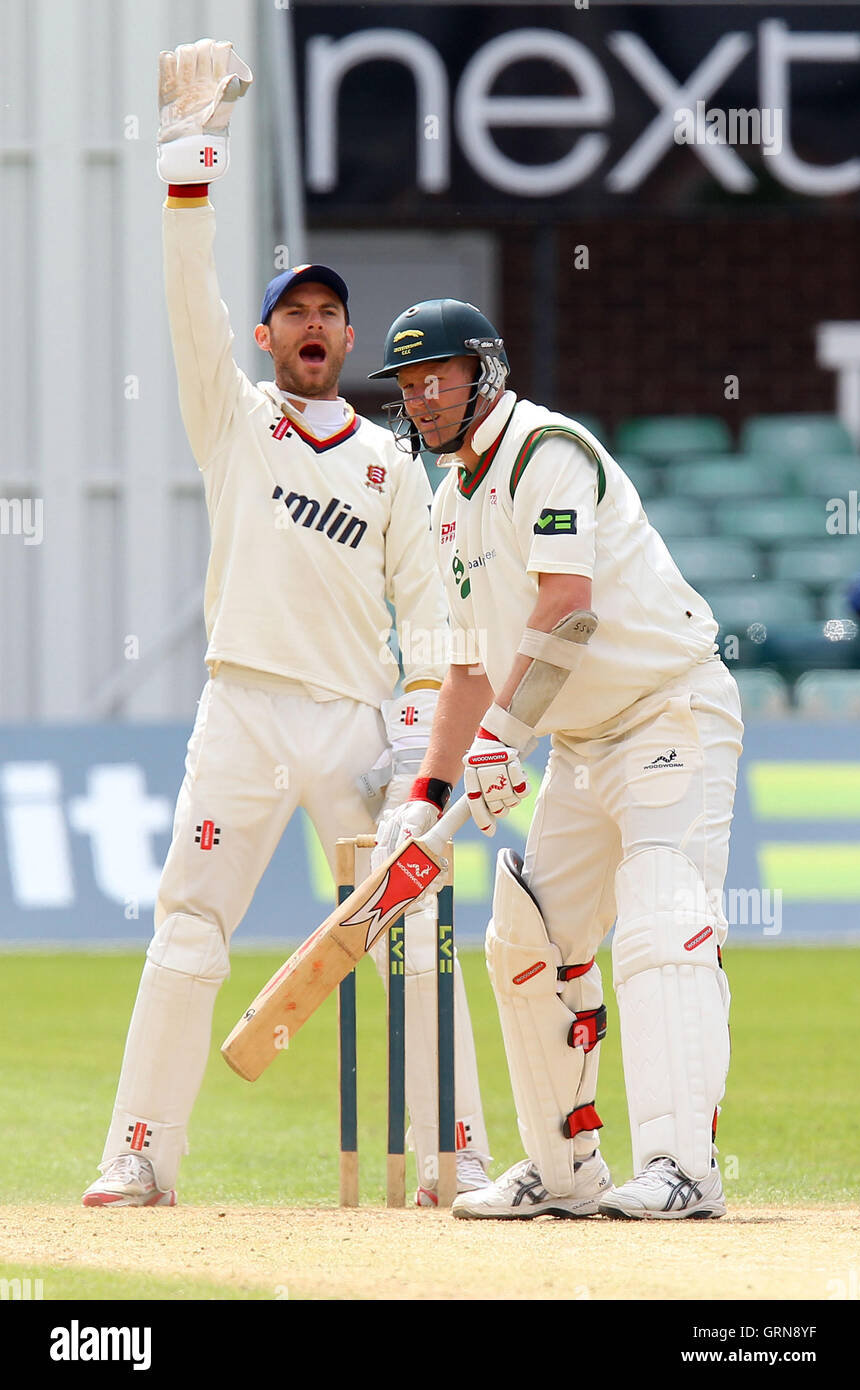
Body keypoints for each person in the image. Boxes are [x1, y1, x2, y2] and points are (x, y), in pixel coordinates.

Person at [81, 41, 490, 1209]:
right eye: (292, 313)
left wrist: (422, 729)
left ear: (349, 342)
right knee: (191, 927)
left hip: (355, 725)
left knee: (412, 928)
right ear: (267, 339)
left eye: (329, 313)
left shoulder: (387, 464)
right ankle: (142, 1153)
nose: (311, 326)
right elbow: (184, 291)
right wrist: (186, 155)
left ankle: (448, 1154)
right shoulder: (235, 420)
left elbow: (430, 602)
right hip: (242, 709)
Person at [372, 298, 744, 1219]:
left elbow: (568, 607)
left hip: (667, 710)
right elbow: (465, 670)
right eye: (409, 387)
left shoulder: (548, 453)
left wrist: (507, 734)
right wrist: (428, 797)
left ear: (485, 372)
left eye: (438, 379)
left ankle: (683, 1169)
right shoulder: (448, 497)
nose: (420, 401)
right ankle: (566, 1171)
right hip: (579, 739)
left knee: (662, 921)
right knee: (528, 940)